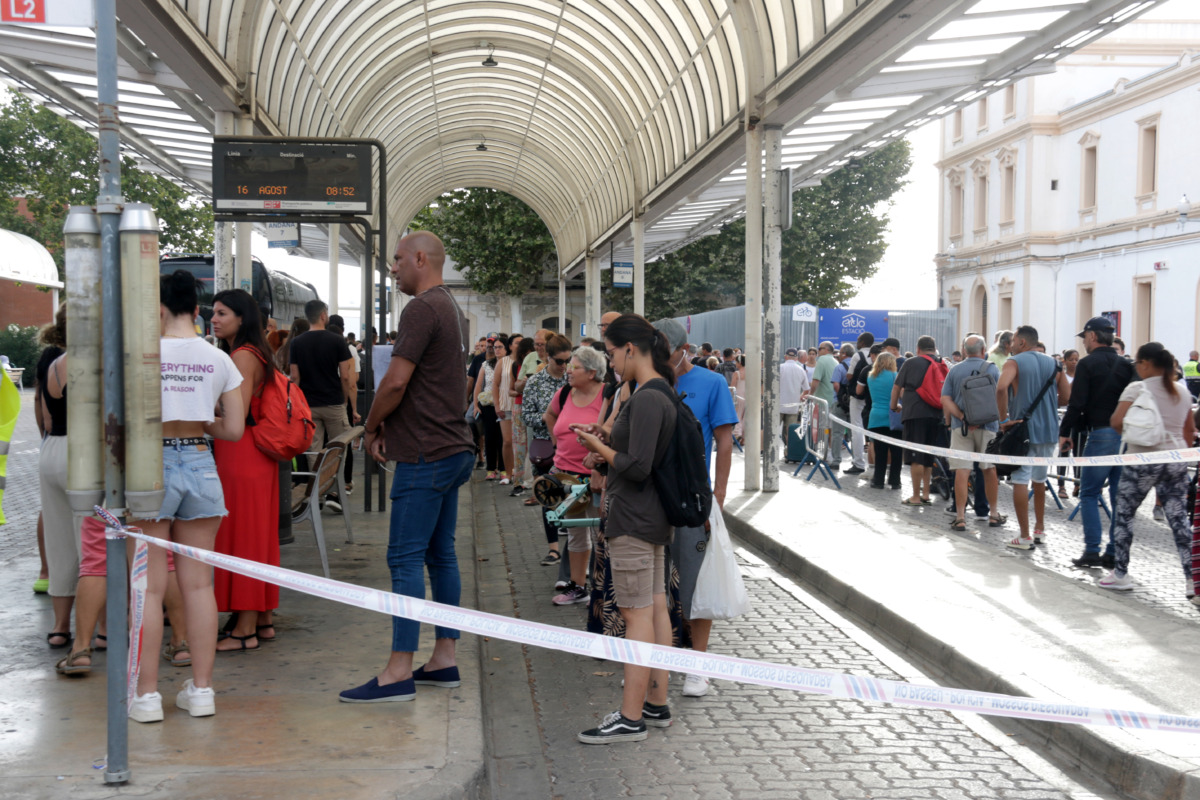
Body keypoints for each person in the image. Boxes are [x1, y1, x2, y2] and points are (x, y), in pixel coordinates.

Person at [340, 232, 474, 704]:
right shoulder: (453, 310)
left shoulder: (420, 309)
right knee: (441, 556)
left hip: (424, 453)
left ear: (421, 258)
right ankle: (443, 657)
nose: (392, 268)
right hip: (454, 449)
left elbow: (396, 382)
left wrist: (370, 426)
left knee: (403, 559)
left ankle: (399, 670)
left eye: (397, 259)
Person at [128, 270, 245, 723]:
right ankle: (202, 691)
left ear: (156, 309)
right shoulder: (218, 358)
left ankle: (147, 696)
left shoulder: (140, 353)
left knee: (148, 587)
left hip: (149, 466)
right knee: (198, 586)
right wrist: (198, 420)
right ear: (195, 310)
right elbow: (233, 430)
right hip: (199, 462)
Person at [573, 314, 677, 744]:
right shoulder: (656, 393)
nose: (610, 362)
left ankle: (630, 716)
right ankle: (655, 701)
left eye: (612, 353)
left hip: (634, 519)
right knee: (654, 610)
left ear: (630, 349)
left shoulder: (649, 397)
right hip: (648, 518)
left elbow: (638, 466)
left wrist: (598, 446)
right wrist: (607, 444)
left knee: (636, 616)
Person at [653, 318, 737, 698]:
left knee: (694, 587)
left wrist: (716, 498)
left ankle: (697, 667)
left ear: (681, 350)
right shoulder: (647, 382)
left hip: (692, 501)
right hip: (650, 499)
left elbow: (723, 442)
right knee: (651, 589)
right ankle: (655, 667)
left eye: (662, 353)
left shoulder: (712, 383)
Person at [209, 289, 281, 652]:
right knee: (258, 535)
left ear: (241, 318)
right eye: (214, 312)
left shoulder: (240, 357)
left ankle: (246, 629)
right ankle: (261, 617)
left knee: (243, 538)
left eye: (222, 313)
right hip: (256, 454)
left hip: (240, 452)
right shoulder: (258, 352)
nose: (214, 318)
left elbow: (231, 411)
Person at [1100, 343, 1195, 593]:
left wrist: (1135, 438)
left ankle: (1120, 573)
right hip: (1174, 460)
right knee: (1179, 520)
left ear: (1146, 364)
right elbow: (1188, 431)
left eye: (1138, 363)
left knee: (1125, 515)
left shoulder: (1137, 388)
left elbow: (1116, 421)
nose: (1137, 368)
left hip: (1141, 460)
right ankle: (1192, 580)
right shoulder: (1182, 392)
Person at [1059, 317, 1134, 568]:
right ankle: (1112, 552)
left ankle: (1092, 550)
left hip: (1101, 434)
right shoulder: (1126, 365)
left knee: (1089, 493)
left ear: (1092, 336)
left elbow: (1076, 402)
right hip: (1124, 437)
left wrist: (1065, 431)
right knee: (1117, 496)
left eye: (1084, 338)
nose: (1083, 343)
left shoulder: (1087, 364)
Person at [542, 346, 607, 604]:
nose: (568, 371)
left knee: (601, 534)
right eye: (568, 365)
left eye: (574, 366)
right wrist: (555, 444)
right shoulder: (565, 393)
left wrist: (599, 467)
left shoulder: (607, 396)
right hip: (566, 477)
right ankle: (578, 587)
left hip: (596, 478)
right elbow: (550, 415)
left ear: (592, 372)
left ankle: (602, 589)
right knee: (576, 535)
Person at [996, 325, 1070, 550]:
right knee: (1040, 480)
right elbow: (1066, 397)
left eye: (1013, 340)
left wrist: (1003, 419)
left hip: (1023, 430)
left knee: (1020, 479)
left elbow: (1001, 388)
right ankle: (1040, 529)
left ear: (1022, 342)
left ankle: (1025, 535)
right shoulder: (1055, 364)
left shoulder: (1014, 362)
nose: (1010, 344)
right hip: (1049, 430)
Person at [35, 305, 75, 651]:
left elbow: (46, 420)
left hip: (52, 451)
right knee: (96, 547)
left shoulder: (53, 364)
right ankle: (106, 628)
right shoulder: (90, 363)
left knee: (60, 547)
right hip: (84, 455)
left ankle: (60, 627)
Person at [940, 335, 1003, 530]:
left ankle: (960, 516)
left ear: (965, 350)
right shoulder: (992, 369)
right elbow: (1000, 395)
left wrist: (960, 417)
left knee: (962, 471)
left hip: (962, 427)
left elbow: (945, 399)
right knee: (989, 470)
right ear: (983, 349)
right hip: (988, 426)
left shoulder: (955, 370)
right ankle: (993, 514)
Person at [522, 334, 572, 564]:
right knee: (549, 496)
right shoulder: (535, 382)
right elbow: (526, 416)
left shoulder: (572, 380)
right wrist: (546, 417)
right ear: (548, 358)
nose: (564, 366)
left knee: (573, 498)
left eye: (567, 361)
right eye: (559, 361)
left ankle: (575, 548)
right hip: (546, 447)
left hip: (572, 446)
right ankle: (553, 549)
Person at [289, 300, 358, 461]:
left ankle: (318, 484)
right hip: (333, 402)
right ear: (323, 315)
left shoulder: (296, 343)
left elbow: (294, 377)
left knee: (313, 449)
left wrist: (296, 403)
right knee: (338, 446)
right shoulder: (337, 341)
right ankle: (334, 481)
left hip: (308, 404)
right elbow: (346, 375)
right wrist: (344, 400)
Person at [892, 336, 945, 506]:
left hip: (915, 414)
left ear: (918, 349)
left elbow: (897, 386)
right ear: (934, 348)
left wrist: (894, 405)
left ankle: (915, 496)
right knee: (928, 457)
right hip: (936, 414)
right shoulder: (941, 363)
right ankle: (926, 494)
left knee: (916, 457)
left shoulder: (911, 363)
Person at [865, 352, 903, 490]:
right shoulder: (894, 376)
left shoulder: (871, 377)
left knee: (880, 451)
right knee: (896, 452)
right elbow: (901, 394)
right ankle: (895, 481)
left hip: (876, 417)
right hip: (894, 416)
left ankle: (878, 480)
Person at [472, 336, 506, 481]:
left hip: (505, 405)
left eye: (499, 347)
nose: (495, 350)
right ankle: (491, 468)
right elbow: (478, 385)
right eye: (494, 347)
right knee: (490, 438)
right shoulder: (486, 364)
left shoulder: (510, 364)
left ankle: (504, 469)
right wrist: (475, 405)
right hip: (489, 405)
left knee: (504, 439)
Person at [508, 336, 535, 497]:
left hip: (533, 407)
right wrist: (521, 387)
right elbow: (511, 390)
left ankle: (532, 480)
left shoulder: (540, 365)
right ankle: (518, 481)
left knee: (533, 445)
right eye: (526, 354)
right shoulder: (516, 366)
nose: (529, 357)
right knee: (519, 446)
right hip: (519, 406)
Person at [845, 332, 874, 475]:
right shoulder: (878, 357)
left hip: (857, 395)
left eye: (858, 340)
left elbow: (850, 375)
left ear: (862, 342)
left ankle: (858, 462)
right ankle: (874, 465)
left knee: (856, 427)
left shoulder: (857, 356)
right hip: (872, 396)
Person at [809, 341, 839, 470]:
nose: (818, 352)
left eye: (819, 349)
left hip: (822, 401)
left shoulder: (821, 360)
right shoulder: (835, 361)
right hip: (833, 400)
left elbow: (816, 380)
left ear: (826, 349)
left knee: (822, 428)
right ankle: (829, 454)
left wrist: (810, 395)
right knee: (830, 428)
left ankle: (822, 454)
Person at [496, 336, 517, 487]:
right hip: (505, 406)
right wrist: (497, 405)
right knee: (508, 441)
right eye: (517, 343)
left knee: (521, 443)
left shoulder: (526, 361)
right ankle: (508, 473)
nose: (520, 345)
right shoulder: (503, 362)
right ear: (510, 346)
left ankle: (519, 472)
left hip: (520, 405)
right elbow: (495, 384)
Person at [778, 348, 810, 443]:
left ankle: (772, 453)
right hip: (793, 405)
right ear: (796, 358)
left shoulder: (779, 367)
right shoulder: (801, 370)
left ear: (785, 357)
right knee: (790, 432)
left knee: (773, 430)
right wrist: (800, 396)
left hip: (778, 404)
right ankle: (788, 452)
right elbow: (806, 389)